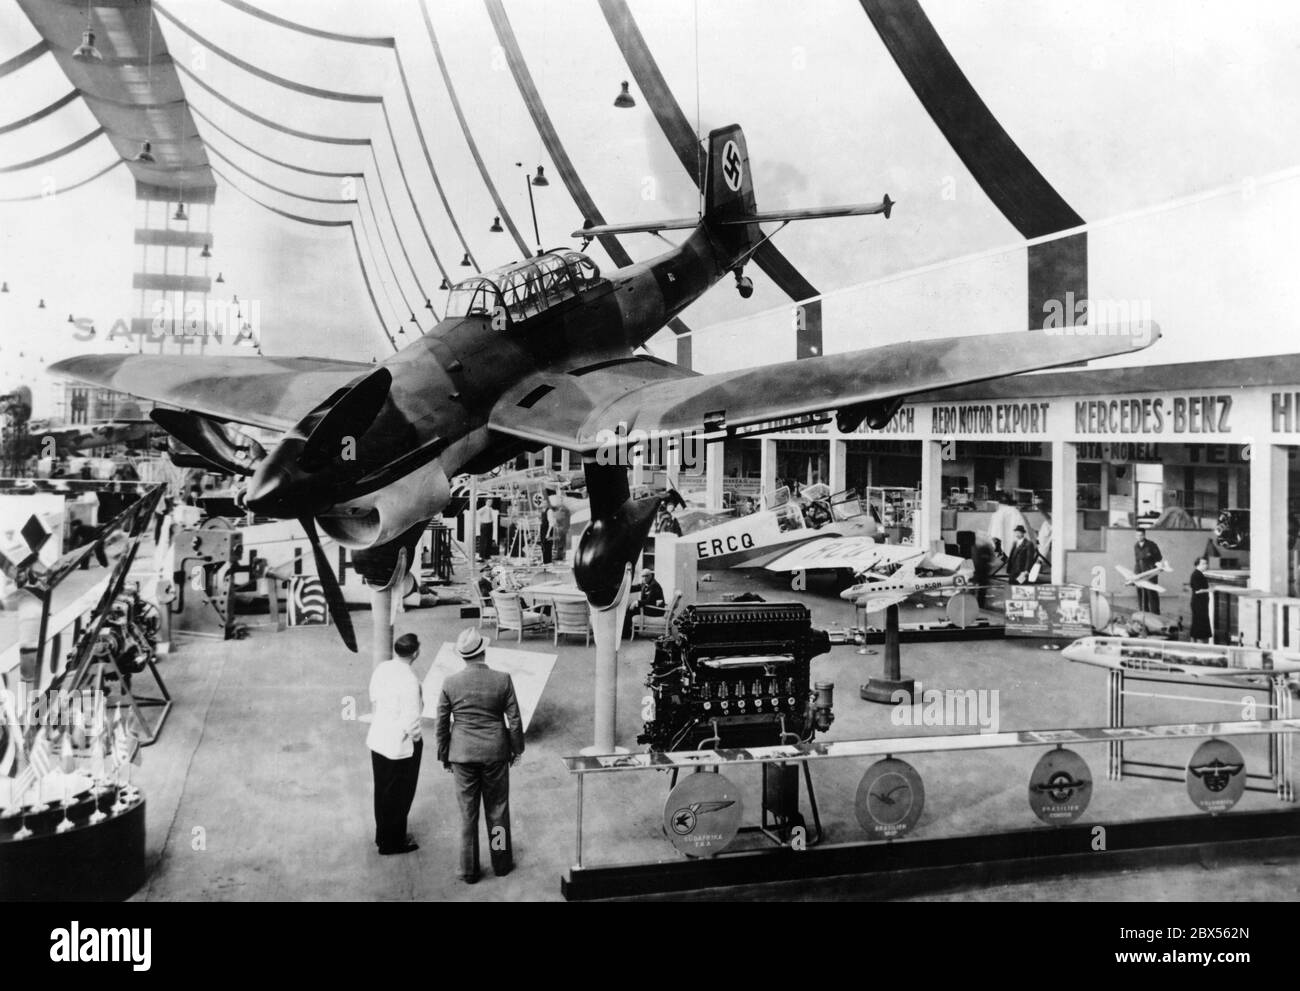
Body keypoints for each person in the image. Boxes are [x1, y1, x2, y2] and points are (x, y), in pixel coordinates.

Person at [436, 628, 525, 883]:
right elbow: (515, 720)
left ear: (462, 656)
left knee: (467, 813)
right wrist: (516, 749)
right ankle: (500, 863)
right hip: (495, 753)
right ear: (484, 652)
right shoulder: (503, 679)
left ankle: (469, 870)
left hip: (462, 755)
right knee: (497, 810)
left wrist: (444, 756)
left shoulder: (450, 683)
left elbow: (442, 724)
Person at [366, 633, 424, 856]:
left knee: (382, 790)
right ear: (416, 653)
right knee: (400, 794)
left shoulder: (382, 668)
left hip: (378, 737)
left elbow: (373, 697)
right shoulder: (410, 680)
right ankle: (394, 842)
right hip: (399, 746)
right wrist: (417, 739)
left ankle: (383, 836)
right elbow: (412, 719)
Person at [624, 567, 666, 638]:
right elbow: (636, 587)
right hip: (649, 607)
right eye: (642, 576)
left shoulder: (654, 585)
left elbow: (649, 601)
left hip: (656, 610)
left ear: (650, 576)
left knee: (631, 609)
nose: (644, 578)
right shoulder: (646, 583)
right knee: (630, 608)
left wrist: (636, 602)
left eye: (646, 576)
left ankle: (627, 633)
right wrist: (624, 588)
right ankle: (629, 631)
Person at [1134, 529, 1164, 614]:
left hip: (1151, 573)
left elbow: (1159, 558)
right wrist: (1136, 574)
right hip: (1140, 573)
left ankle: (1155, 614)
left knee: (1151, 594)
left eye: (1141, 535)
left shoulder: (1151, 545)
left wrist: (1152, 563)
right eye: (1137, 535)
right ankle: (1144, 614)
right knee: (1141, 594)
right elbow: (1136, 561)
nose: (1139, 537)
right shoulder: (1136, 546)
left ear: (1144, 535)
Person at [1190, 556, 1212, 642]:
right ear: (1197, 565)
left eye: (1206, 563)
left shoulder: (1200, 574)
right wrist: (1210, 590)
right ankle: (1199, 642)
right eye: (1203, 563)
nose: (1206, 565)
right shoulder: (1196, 575)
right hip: (1198, 603)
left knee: (1197, 623)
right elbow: (1198, 591)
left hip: (1201, 603)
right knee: (1199, 623)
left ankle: (1195, 642)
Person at [549, 494, 571, 562]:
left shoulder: (563, 509)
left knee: (560, 543)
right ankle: (560, 556)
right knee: (560, 543)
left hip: (562, 529)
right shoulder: (563, 508)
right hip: (563, 528)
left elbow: (557, 517)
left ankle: (559, 556)